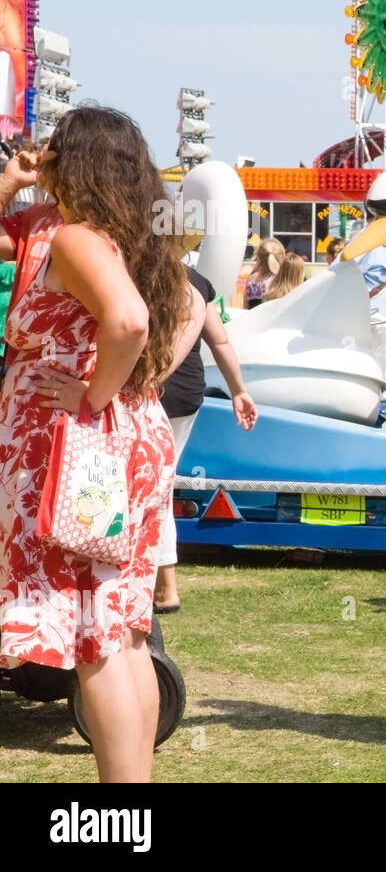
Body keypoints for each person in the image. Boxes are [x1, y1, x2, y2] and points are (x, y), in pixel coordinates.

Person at [0, 106, 191, 782]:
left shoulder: (77, 237)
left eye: (54, 150)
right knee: (122, 633)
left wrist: (90, 397)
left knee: (96, 639)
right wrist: (13, 183)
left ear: (74, 162)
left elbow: (128, 321)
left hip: (77, 452)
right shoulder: (127, 236)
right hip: (116, 444)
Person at [154, 265, 258, 614]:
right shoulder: (194, 278)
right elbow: (220, 340)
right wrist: (239, 390)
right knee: (159, 487)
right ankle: (161, 585)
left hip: (152, 390)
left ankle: (163, 587)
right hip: (185, 394)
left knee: (150, 490)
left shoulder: (134, 269)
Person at [244, 237, 284, 309]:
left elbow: (245, 306)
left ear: (258, 256)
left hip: (253, 315)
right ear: (281, 257)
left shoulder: (251, 278)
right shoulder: (279, 279)